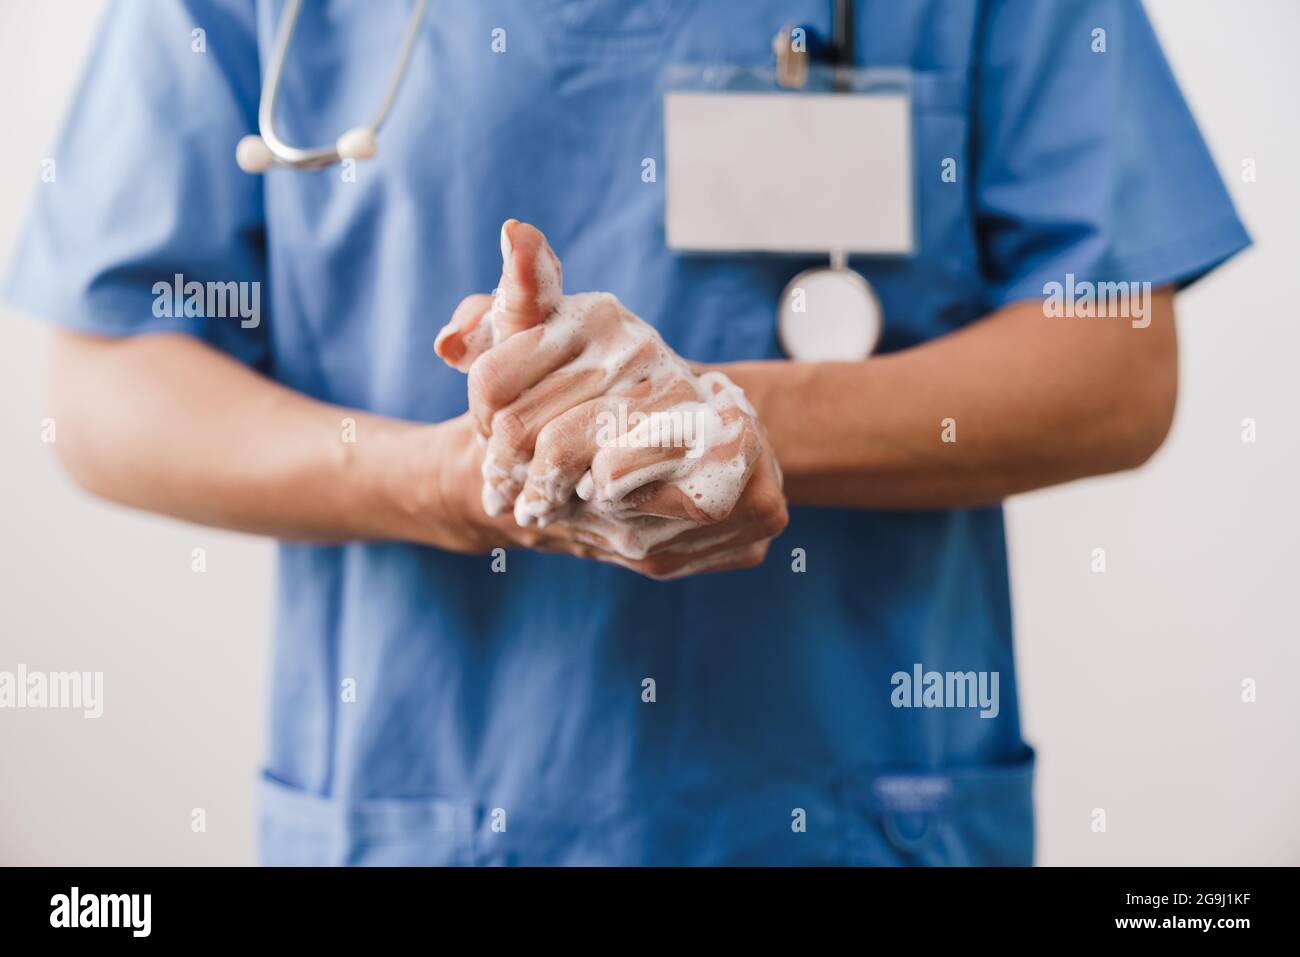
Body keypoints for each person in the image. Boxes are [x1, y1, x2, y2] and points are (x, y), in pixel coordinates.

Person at [4, 0, 1248, 865]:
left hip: (852, 813)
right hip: (419, 805)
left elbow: (1113, 359)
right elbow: (109, 389)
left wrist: (730, 419)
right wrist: (447, 479)